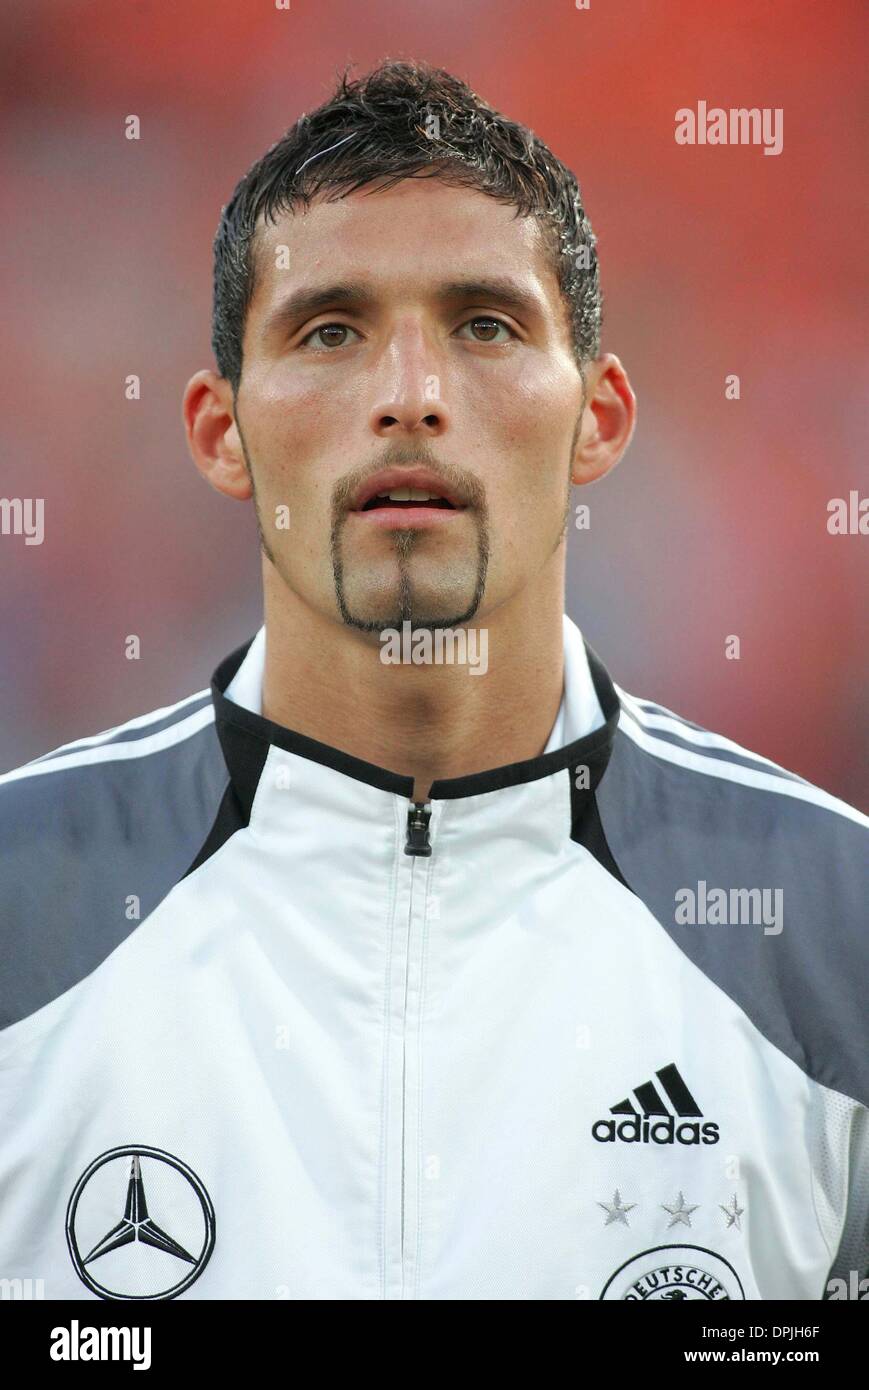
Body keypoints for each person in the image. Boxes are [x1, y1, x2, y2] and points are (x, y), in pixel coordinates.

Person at [1, 60, 865, 1303]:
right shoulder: (21, 904)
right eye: (330, 330)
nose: (409, 399)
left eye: (485, 325)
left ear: (598, 419)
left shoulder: (830, 926)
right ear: (218, 430)